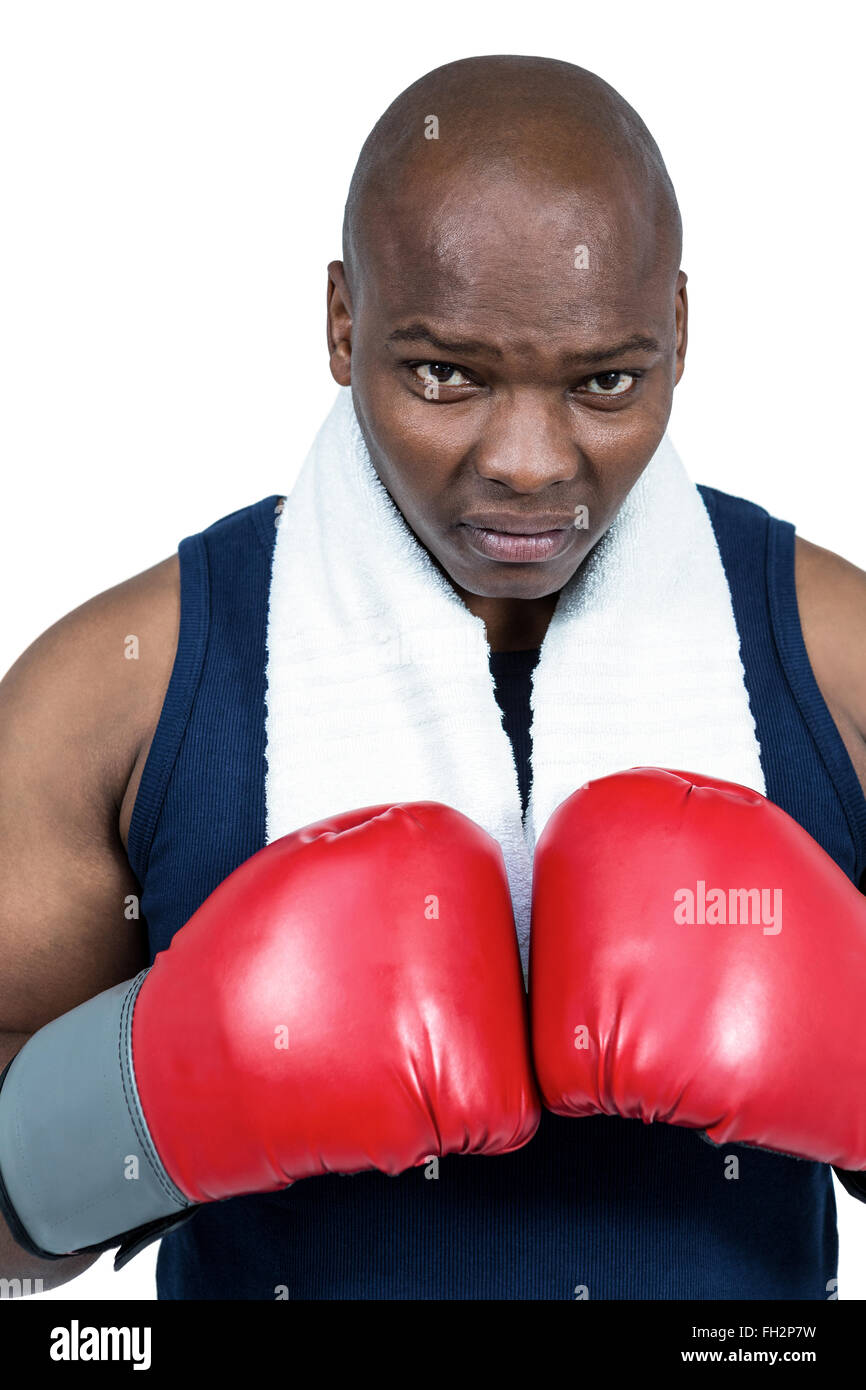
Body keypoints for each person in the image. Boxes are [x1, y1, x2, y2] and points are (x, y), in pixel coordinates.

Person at [1, 53, 865, 1302]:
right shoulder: (124, 691)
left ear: (678, 328)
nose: (527, 461)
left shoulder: (830, 663)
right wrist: (155, 1090)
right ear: (343, 321)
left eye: (605, 381)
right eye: (445, 374)